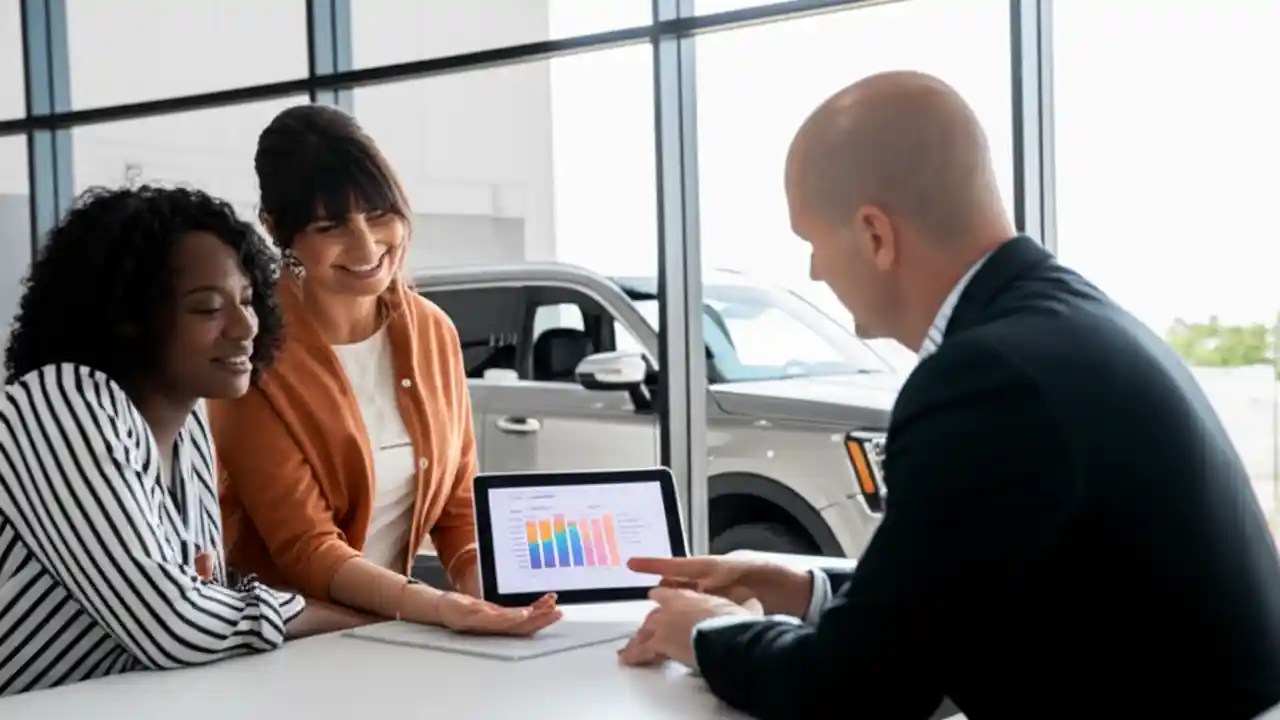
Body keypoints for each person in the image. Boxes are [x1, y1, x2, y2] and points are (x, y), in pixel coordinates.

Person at [618, 71, 1280, 718]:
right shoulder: (1067, 324)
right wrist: (802, 588)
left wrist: (708, 632)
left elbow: (856, 691)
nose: (816, 271)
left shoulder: (987, 379)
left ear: (876, 235)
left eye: (813, 243)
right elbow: (956, 590)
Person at [0, 186, 371, 696]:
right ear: (128, 316)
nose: (244, 327)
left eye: (246, 300)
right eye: (207, 308)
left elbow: (205, 606)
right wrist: (343, 622)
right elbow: (173, 625)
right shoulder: (58, 403)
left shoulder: (189, 426)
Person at [206, 104, 559, 635]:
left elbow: (457, 508)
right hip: (288, 642)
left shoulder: (432, 331)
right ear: (278, 230)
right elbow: (306, 550)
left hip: (392, 634)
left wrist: (491, 598)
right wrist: (438, 607)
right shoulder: (252, 348)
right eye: (331, 226)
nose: (367, 245)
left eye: (378, 215)